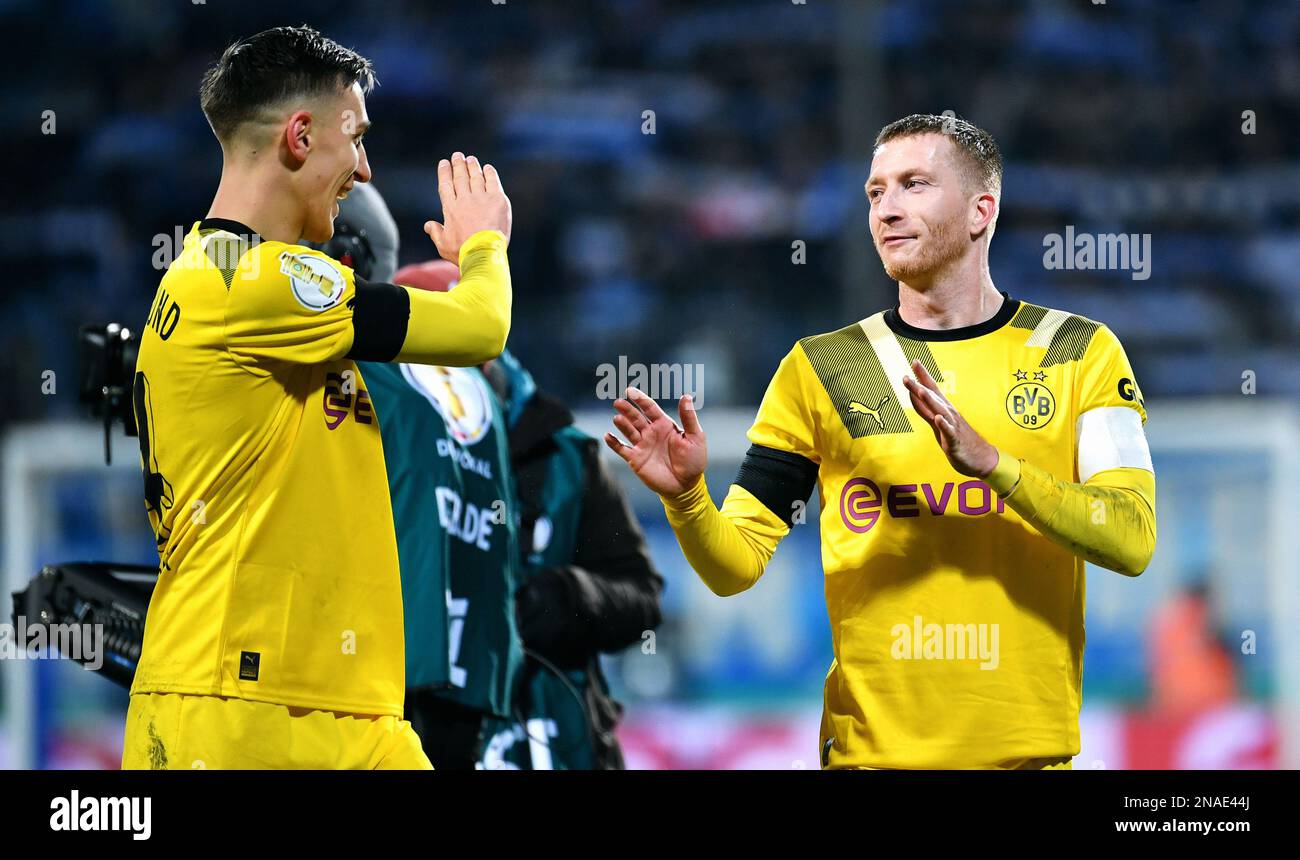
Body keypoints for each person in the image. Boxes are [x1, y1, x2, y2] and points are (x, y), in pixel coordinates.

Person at [604, 114, 1157, 770]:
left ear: (982, 210)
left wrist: (995, 467)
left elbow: (1131, 538)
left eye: (913, 185)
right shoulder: (825, 367)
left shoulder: (1077, 352)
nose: (886, 210)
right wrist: (690, 498)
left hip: (1029, 761)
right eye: (874, 193)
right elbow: (735, 567)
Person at [122, 25, 512, 769]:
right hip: (235, 710)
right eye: (356, 138)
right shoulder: (246, 280)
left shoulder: (263, 299)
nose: (364, 169)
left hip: (348, 706)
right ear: (300, 136)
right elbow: (481, 325)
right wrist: (482, 245)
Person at [480, 348, 663, 770]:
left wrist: (562, 598)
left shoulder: (569, 456)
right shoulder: (388, 440)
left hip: (559, 736)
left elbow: (642, 600)